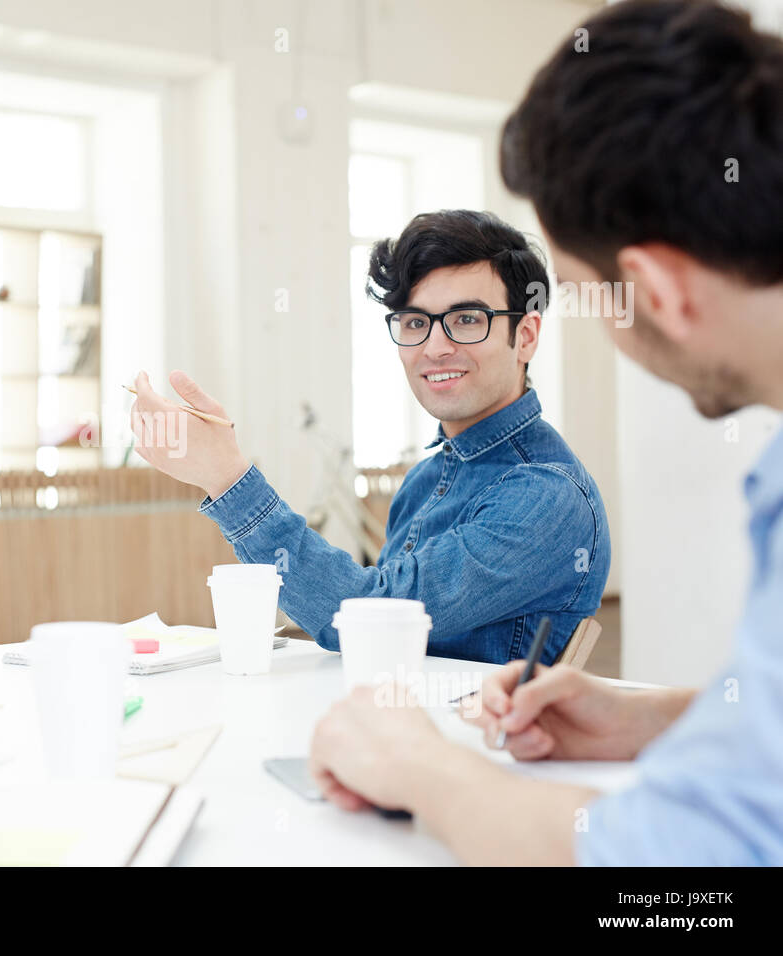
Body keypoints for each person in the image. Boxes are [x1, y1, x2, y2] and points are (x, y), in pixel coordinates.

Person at [308, 0, 783, 865]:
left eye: (583, 292)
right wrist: (649, 714)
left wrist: (420, 770)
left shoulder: (546, 493)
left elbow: (679, 884)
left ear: (657, 290)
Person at [131, 210, 610, 664]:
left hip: (460, 746)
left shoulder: (546, 495)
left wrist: (227, 478)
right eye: (416, 323)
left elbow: (367, 619)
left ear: (525, 336)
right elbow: (374, 637)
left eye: (467, 319)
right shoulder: (426, 478)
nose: (436, 347)